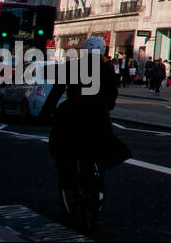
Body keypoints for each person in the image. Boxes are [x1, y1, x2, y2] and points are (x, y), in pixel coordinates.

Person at [44, 37, 130, 210]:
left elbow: (56, 92)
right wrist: (106, 107)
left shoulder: (71, 66)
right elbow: (112, 96)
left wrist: (46, 113)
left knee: (62, 145)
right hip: (98, 114)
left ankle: (67, 177)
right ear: (103, 50)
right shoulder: (107, 68)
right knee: (103, 149)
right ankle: (99, 187)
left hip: (73, 113)